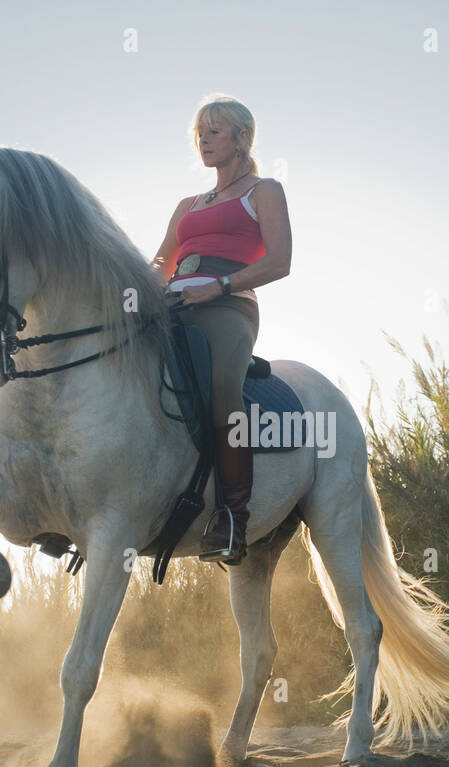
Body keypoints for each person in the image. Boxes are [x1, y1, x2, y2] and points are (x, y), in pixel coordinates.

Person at [152, 95, 292, 564]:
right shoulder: (187, 204)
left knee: (221, 387)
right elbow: (160, 262)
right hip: (172, 305)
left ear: (242, 137)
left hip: (229, 308)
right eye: (200, 132)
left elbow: (279, 261)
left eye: (214, 131)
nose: (204, 140)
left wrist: (217, 287)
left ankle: (233, 517)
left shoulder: (264, 191)